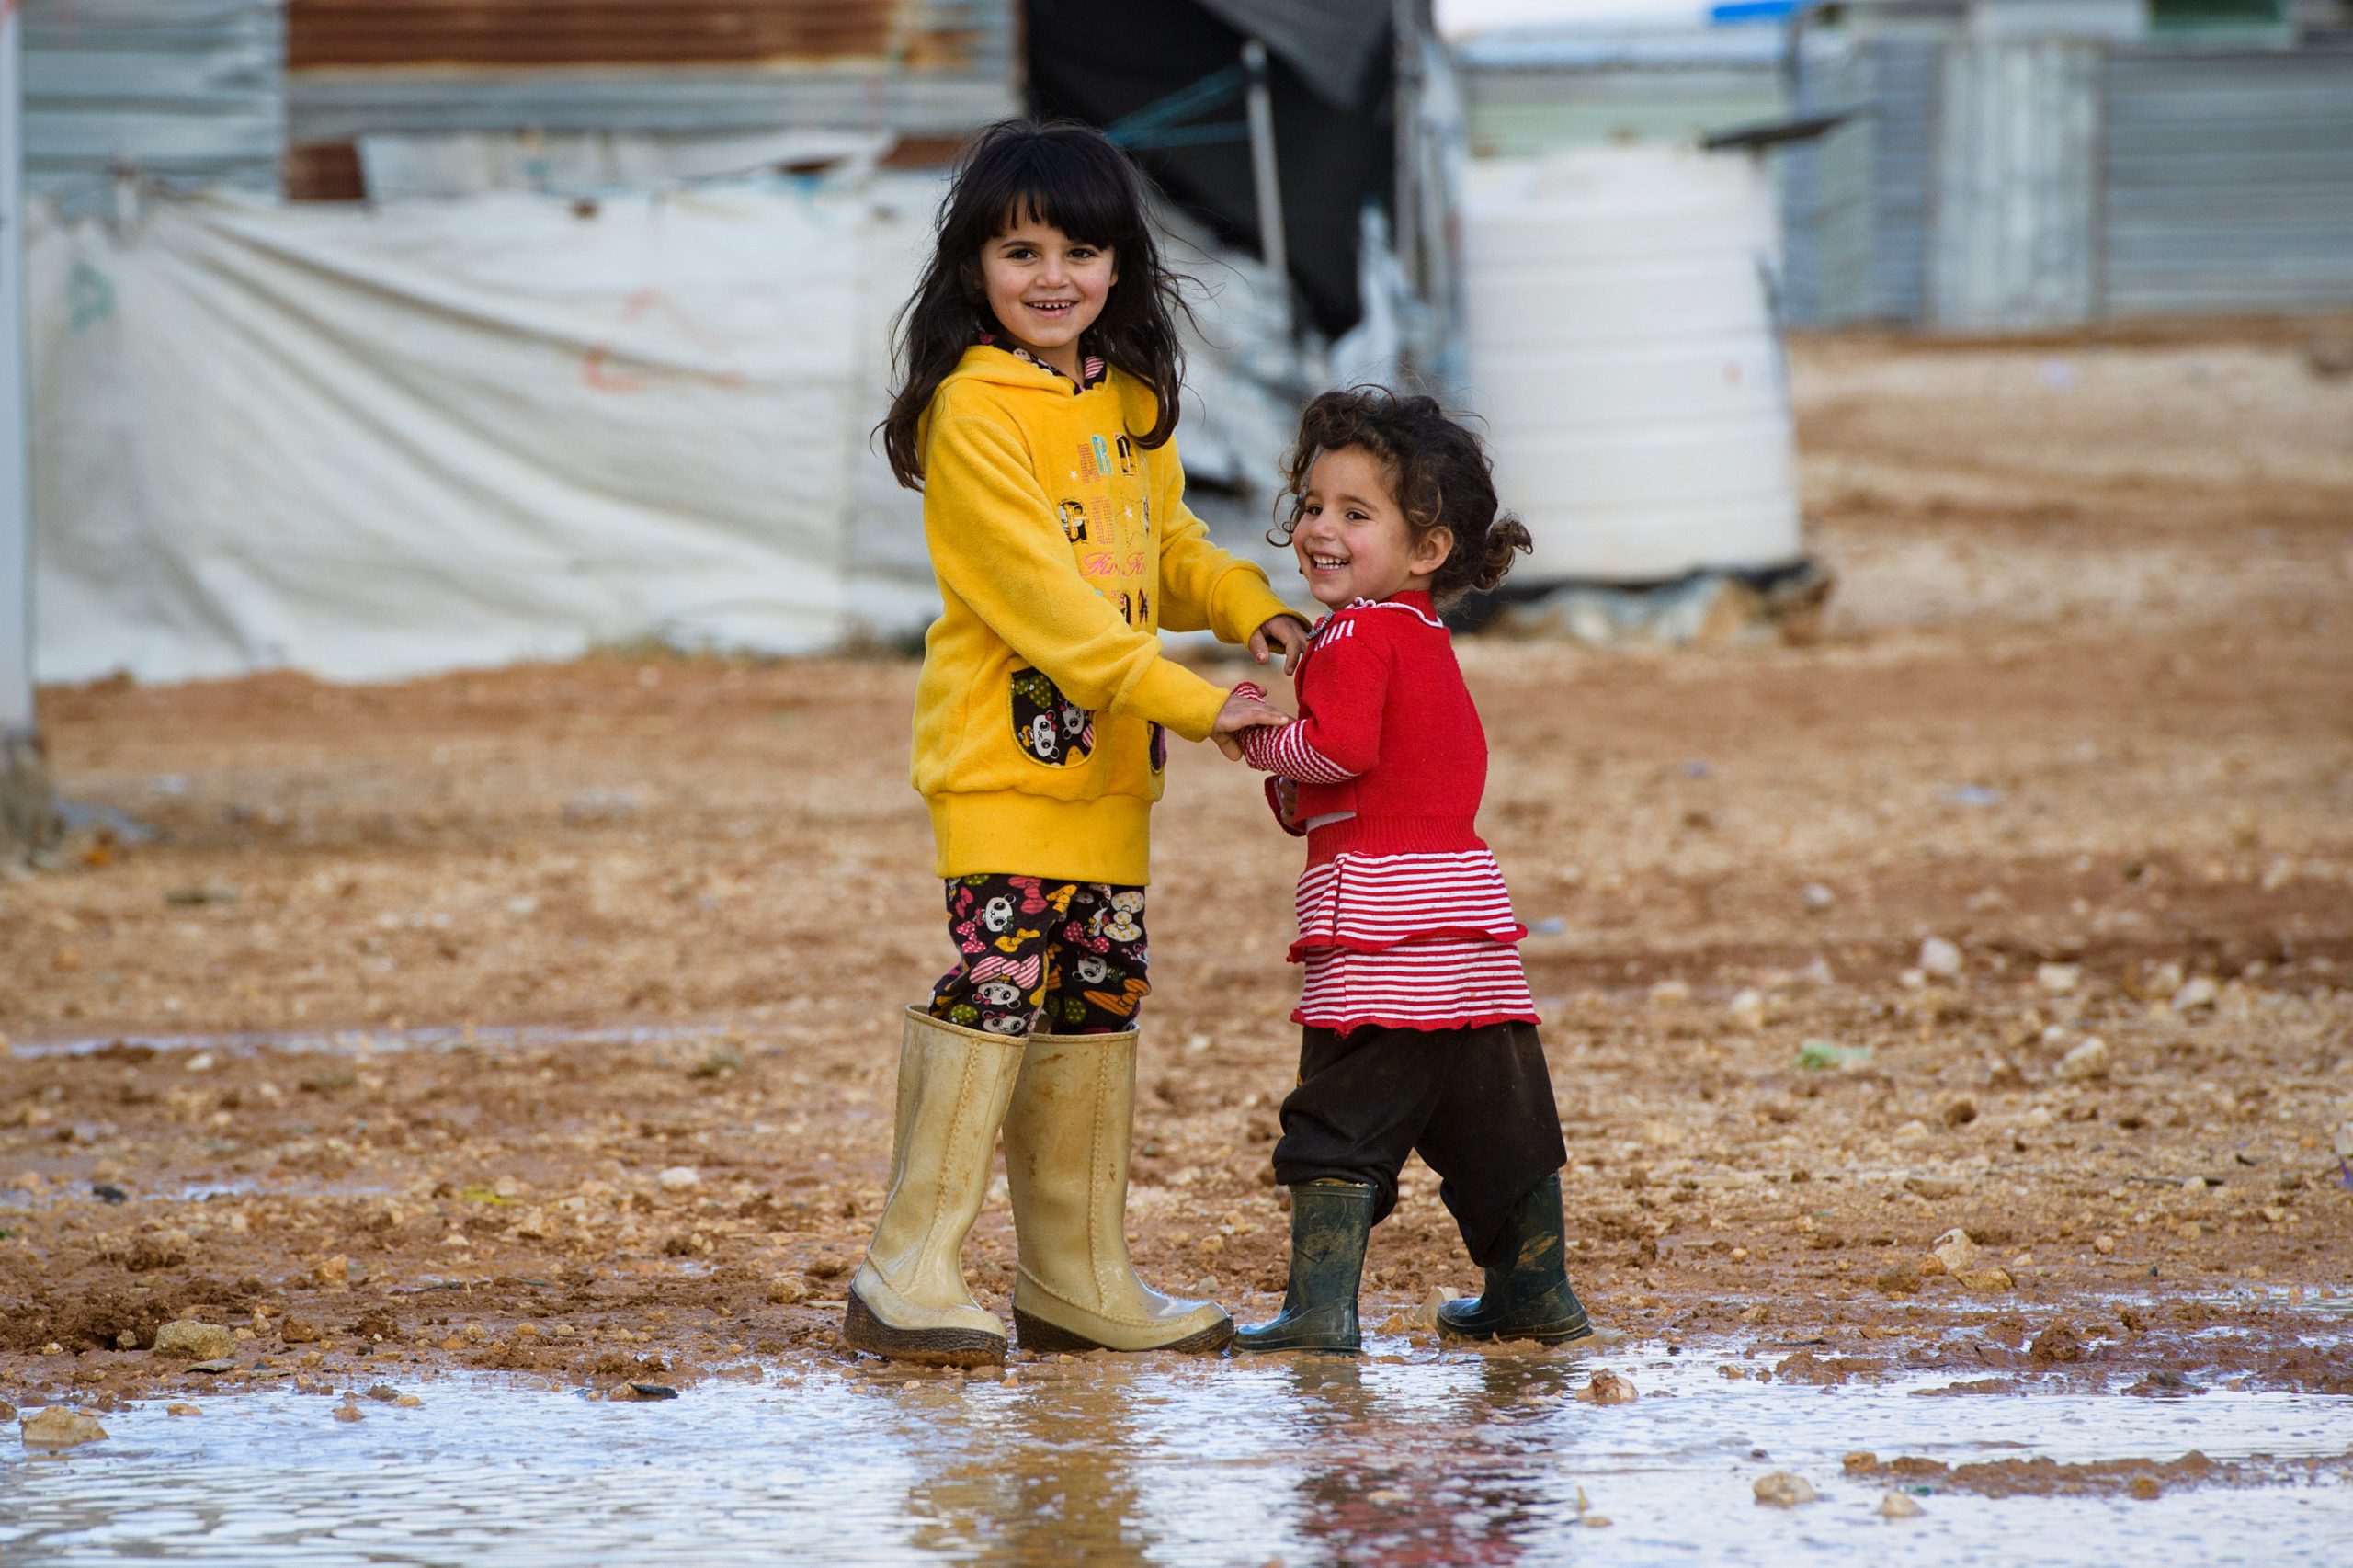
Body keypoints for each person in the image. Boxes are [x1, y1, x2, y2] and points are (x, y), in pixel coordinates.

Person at [844, 119, 1310, 1368]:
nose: (1055, 276)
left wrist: (1247, 608)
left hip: (1112, 778)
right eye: (1022, 250)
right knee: (998, 988)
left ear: (1121, 265)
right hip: (1002, 769)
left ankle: (1075, 1276)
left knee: (1095, 996)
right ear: (974, 270)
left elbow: (1170, 550)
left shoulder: (1130, 401)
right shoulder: (972, 412)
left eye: (1083, 249)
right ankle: (909, 1266)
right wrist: (1199, 699)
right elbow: (1044, 604)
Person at [1227, 388, 1593, 1354]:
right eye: (1311, 504)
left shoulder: (1351, 635)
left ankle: (1317, 1310)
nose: (1318, 529)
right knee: (1494, 1107)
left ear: (1427, 548)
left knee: (1342, 1105)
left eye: (1355, 513)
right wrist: (1298, 777)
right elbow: (1401, 768)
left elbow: (1338, 751)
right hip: (1465, 916)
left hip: (1381, 921)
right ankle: (1532, 1288)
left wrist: (1266, 739)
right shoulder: (1422, 635)